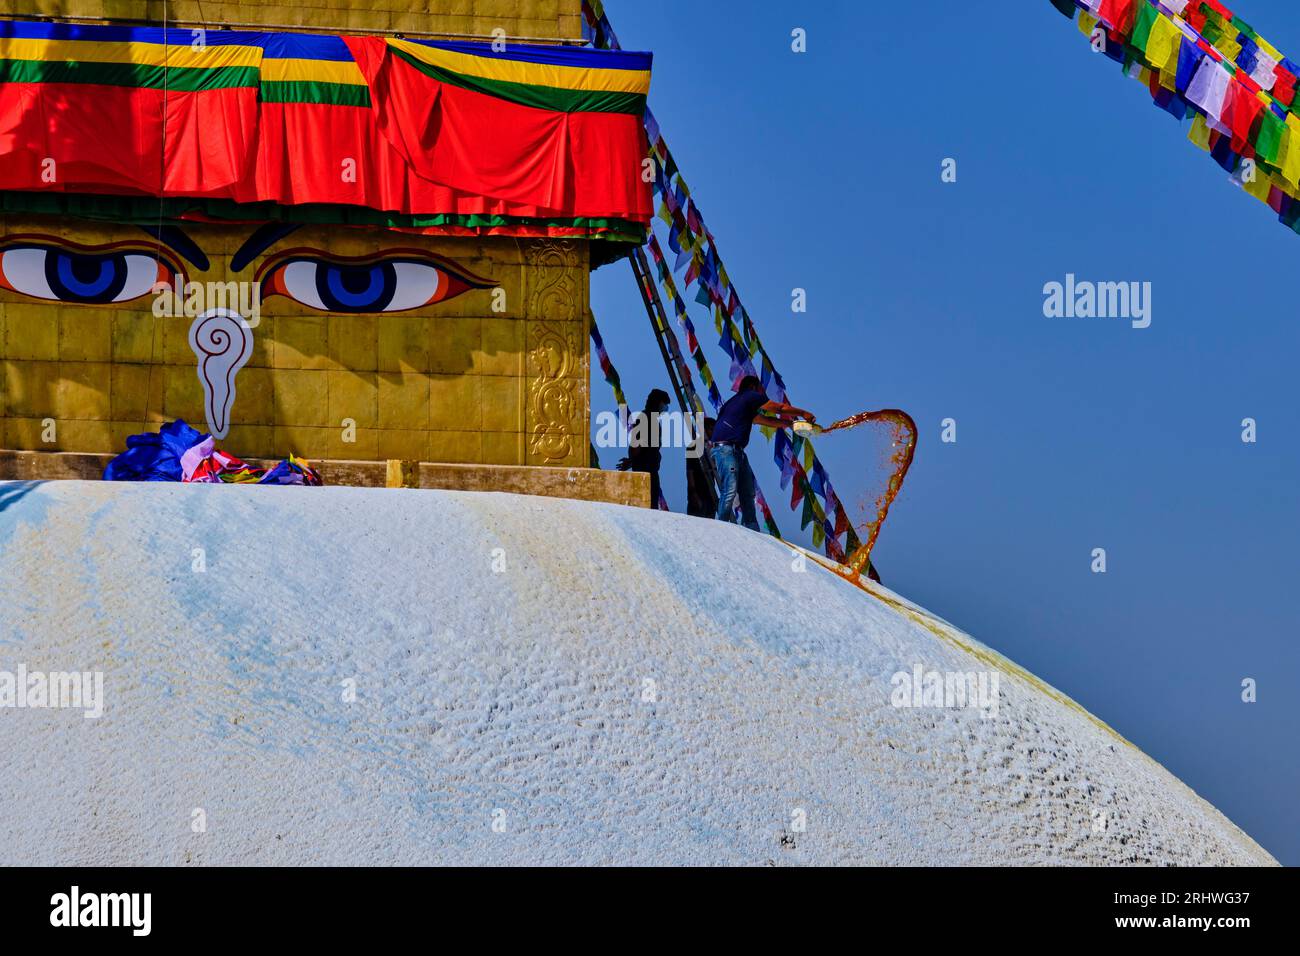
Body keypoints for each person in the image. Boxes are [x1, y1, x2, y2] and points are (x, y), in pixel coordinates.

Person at [710, 376, 815, 530]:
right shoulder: (750, 396)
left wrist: (791, 424)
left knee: (748, 492)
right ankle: (720, 528)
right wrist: (804, 413)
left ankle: (752, 529)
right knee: (730, 488)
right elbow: (779, 409)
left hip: (737, 450)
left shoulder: (739, 403)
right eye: (760, 389)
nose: (762, 394)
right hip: (726, 449)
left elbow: (767, 421)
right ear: (753, 387)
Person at [618, 388, 671, 508]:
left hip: (649, 469)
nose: (665, 409)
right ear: (658, 403)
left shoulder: (650, 419)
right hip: (645, 473)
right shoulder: (646, 418)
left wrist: (631, 461)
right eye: (664, 405)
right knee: (648, 506)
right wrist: (633, 460)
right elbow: (636, 445)